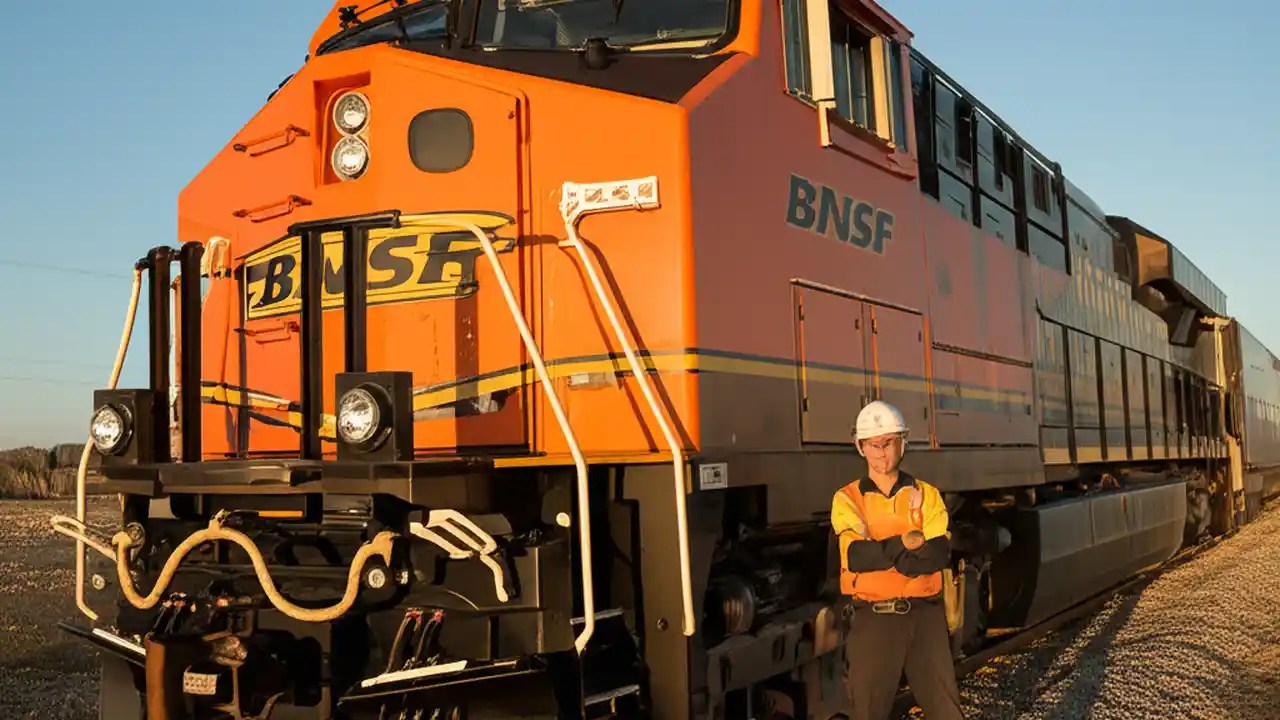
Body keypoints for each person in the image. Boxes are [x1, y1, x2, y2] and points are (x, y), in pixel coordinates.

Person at [831, 400, 964, 720]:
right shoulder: (847, 499)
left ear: (902, 442)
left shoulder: (927, 494)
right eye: (873, 444)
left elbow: (938, 554)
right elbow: (857, 556)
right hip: (874, 620)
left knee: (947, 711)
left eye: (888, 442)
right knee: (867, 713)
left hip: (925, 618)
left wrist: (891, 554)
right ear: (860, 447)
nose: (881, 452)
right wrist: (907, 543)